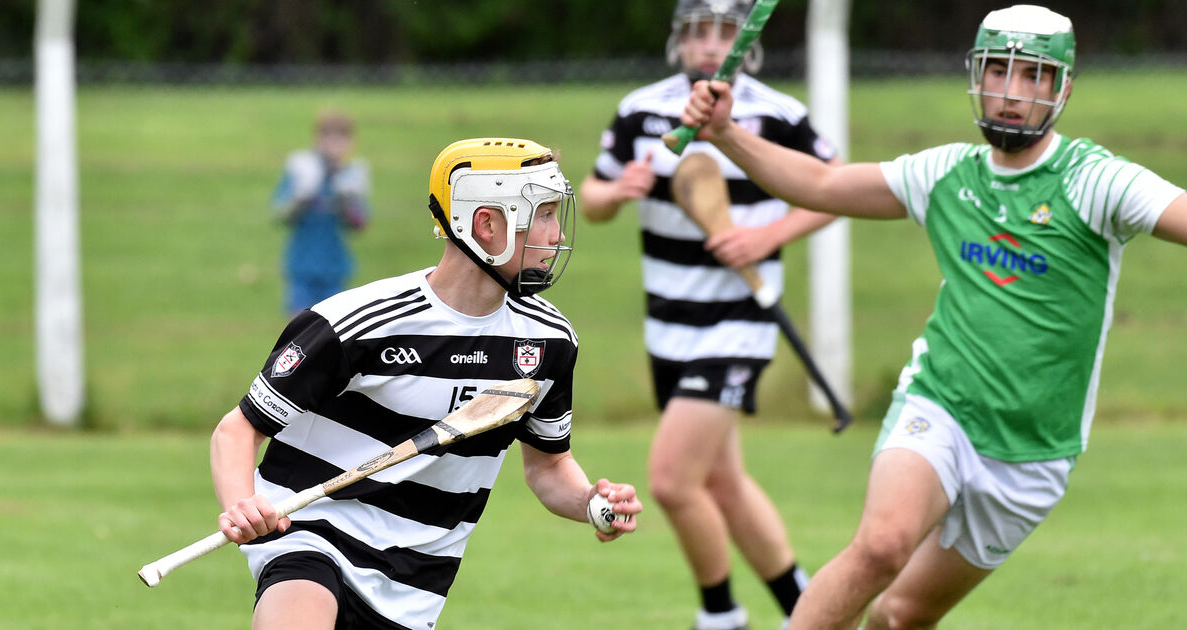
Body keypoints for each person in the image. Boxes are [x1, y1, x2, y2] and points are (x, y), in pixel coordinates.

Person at [681, 4, 1187, 628]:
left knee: (900, 617)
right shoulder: (946, 173)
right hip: (940, 405)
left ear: (1061, 89)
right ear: (976, 74)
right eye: (998, 71)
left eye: (1031, 76)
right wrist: (729, 134)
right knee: (882, 545)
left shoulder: (1095, 182)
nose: (1010, 92)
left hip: (1033, 454)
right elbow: (820, 184)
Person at [212, 137, 643, 630]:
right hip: (311, 532)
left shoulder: (548, 342)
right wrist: (242, 505)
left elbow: (548, 468)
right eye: (541, 214)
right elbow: (237, 430)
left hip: (418, 581)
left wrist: (590, 500)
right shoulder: (356, 325)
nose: (554, 232)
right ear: (486, 223)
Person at [578, 1, 842, 628]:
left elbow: (837, 189)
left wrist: (767, 234)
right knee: (722, 482)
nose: (711, 43)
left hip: (740, 322)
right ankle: (804, 612)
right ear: (680, 39)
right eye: (700, 30)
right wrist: (618, 193)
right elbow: (590, 197)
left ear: (745, 41)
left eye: (725, 31)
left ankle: (721, 617)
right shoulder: (642, 109)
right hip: (668, 325)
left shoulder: (778, 114)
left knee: (670, 480)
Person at [271, 110, 371, 314]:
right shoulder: (301, 171)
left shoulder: (351, 176)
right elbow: (280, 215)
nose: (334, 147)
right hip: (302, 264)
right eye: (329, 139)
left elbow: (359, 224)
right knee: (299, 329)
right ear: (317, 140)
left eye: (341, 140)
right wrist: (300, 198)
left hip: (334, 266)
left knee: (333, 329)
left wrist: (347, 201)